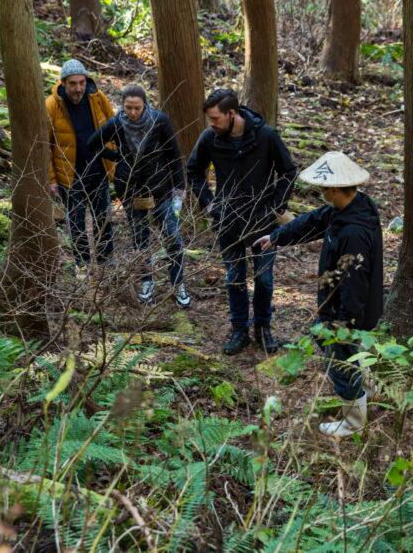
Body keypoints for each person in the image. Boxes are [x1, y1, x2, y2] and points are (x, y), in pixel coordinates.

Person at [253, 151, 383, 439]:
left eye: (324, 189)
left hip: (345, 313)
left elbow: (354, 283)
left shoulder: (353, 232)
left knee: (339, 363)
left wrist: (341, 324)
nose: (322, 193)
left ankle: (353, 422)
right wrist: (276, 236)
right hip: (347, 308)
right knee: (354, 352)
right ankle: (370, 388)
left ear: (335, 190)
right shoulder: (350, 208)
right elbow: (313, 221)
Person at [186, 88, 297, 356]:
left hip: (262, 221)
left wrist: (275, 207)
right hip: (227, 220)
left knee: (264, 280)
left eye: (215, 118)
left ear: (232, 114)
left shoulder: (266, 136)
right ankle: (239, 330)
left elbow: (288, 171)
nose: (211, 124)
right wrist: (209, 203)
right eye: (210, 119)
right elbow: (193, 170)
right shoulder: (210, 138)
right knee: (234, 278)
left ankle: (263, 328)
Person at [89, 84, 191, 307]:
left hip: (160, 187)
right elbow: (92, 143)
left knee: (172, 236)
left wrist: (179, 187)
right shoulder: (117, 123)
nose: (133, 113)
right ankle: (147, 281)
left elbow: (174, 154)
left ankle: (178, 284)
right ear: (122, 106)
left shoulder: (159, 120)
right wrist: (118, 157)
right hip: (131, 189)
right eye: (128, 108)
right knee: (140, 237)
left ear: (145, 105)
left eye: (137, 108)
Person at [45, 59, 116, 278]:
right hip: (70, 176)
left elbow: (115, 128)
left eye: (82, 83)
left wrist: (116, 162)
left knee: (103, 219)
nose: (78, 88)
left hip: (98, 170)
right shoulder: (52, 105)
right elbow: (45, 146)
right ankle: (82, 265)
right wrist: (52, 179)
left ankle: (105, 263)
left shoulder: (97, 98)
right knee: (76, 223)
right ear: (63, 83)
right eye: (73, 84)